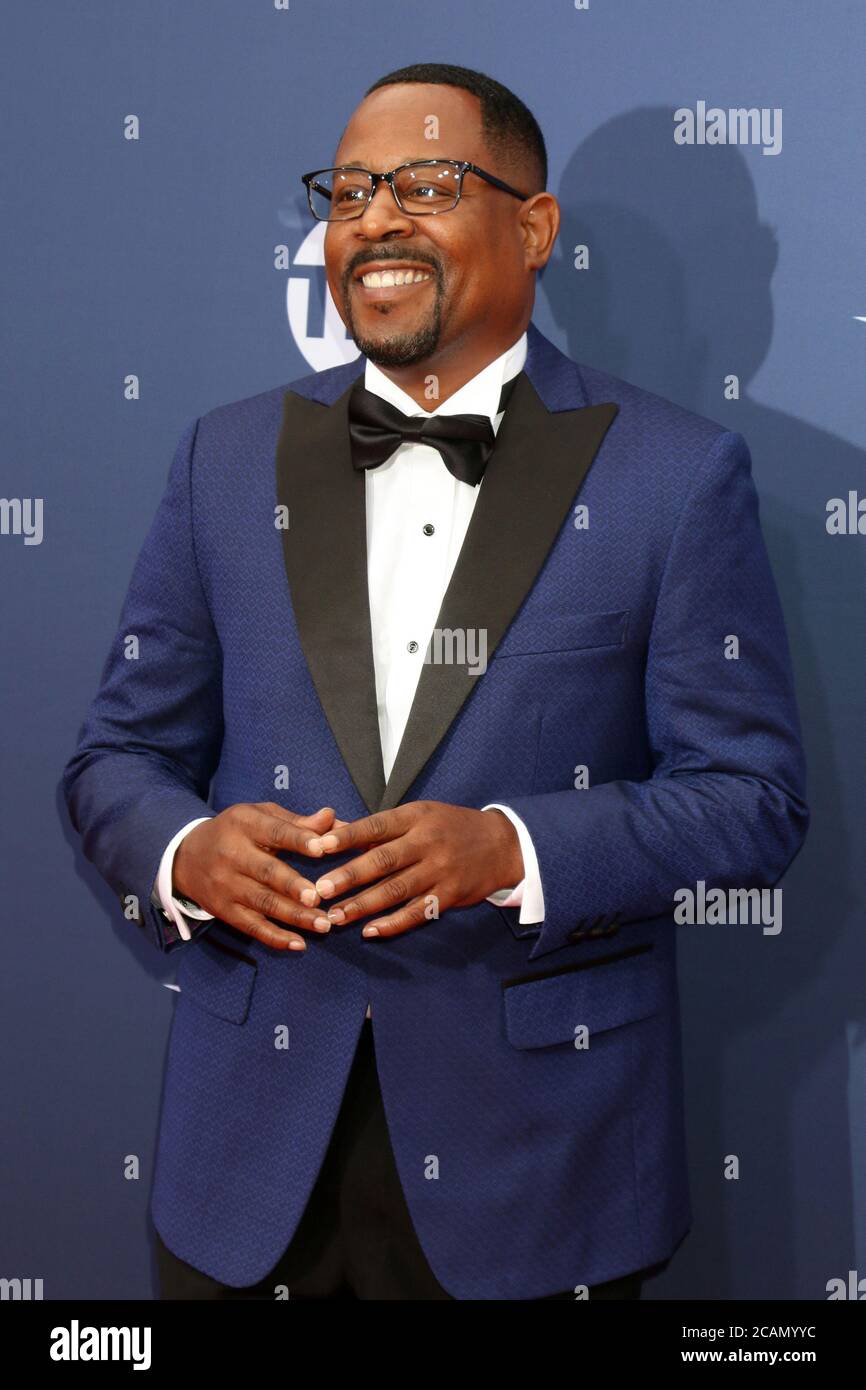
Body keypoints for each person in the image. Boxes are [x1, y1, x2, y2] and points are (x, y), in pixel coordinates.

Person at [62, 63, 808, 1301]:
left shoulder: (675, 476)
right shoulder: (225, 457)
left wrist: (513, 849)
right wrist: (184, 852)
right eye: (348, 191)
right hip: (242, 1166)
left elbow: (751, 800)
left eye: (421, 183)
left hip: (541, 1176)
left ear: (532, 225)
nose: (373, 221)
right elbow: (112, 760)